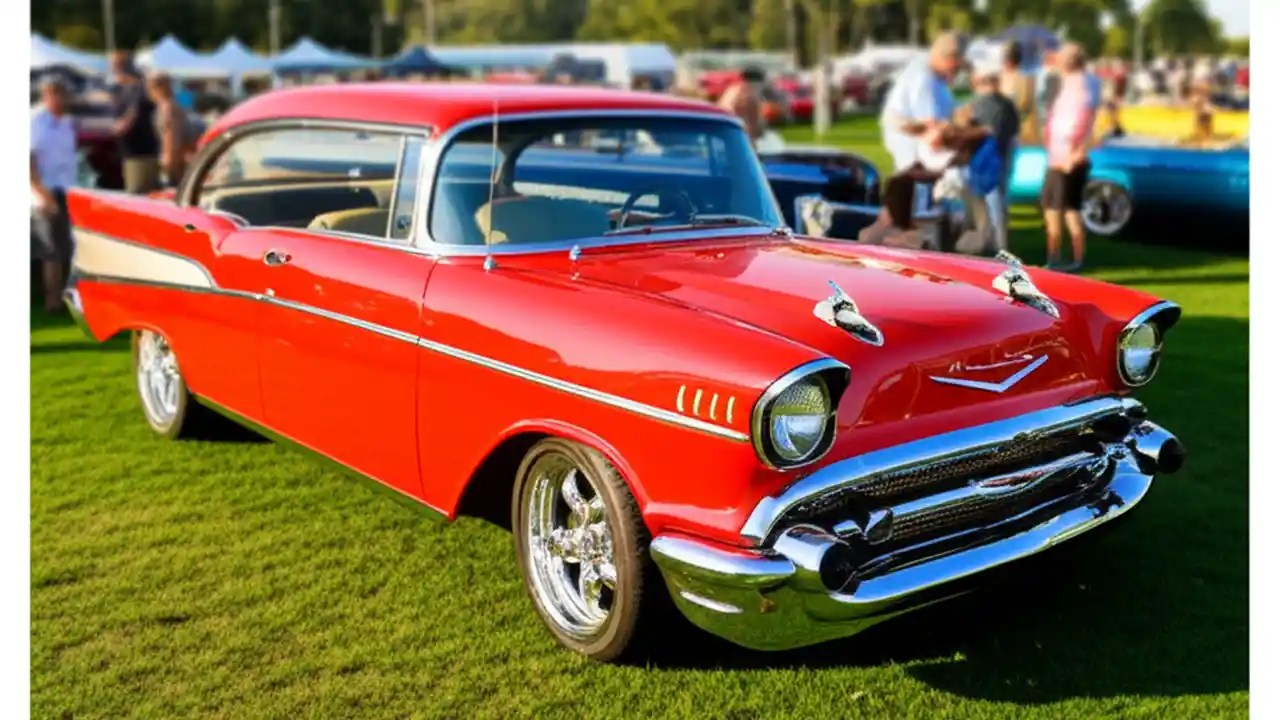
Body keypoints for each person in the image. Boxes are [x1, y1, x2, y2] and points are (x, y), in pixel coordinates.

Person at [1041, 43, 1097, 271]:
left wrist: (1072, 153)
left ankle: (1058, 259)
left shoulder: (1077, 86)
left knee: (1057, 209)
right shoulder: (1081, 84)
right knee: (1069, 208)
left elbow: (1080, 120)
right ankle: (1070, 258)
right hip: (1065, 155)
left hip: (1065, 158)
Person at [31, 77, 78, 314]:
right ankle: (52, 302)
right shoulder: (36, 120)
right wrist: (41, 193)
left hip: (66, 188)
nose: (58, 98)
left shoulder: (67, 122)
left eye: (61, 93)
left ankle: (63, 298)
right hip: (44, 191)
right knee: (50, 249)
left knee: (65, 246)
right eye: (53, 93)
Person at [967, 62, 1020, 252]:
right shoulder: (1007, 104)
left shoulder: (979, 104)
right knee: (1000, 201)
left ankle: (990, 242)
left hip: (985, 158)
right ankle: (1001, 242)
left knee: (984, 201)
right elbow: (1014, 130)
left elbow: (971, 131)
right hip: (1003, 155)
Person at [109, 51, 161, 194]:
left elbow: (130, 118)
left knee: (139, 194)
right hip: (130, 153)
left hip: (141, 154)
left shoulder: (139, 88)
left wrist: (118, 128)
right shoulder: (122, 89)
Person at [145, 72, 189, 186]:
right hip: (178, 155)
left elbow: (170, 133)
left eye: (151, 87)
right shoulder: (168, 105)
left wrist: (167, 157)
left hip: (176, 157)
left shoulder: (167, 108)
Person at [999, 42, 1036, 144]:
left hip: (1016, 129)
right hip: (1004, 127)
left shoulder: (1023, 79)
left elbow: (1025, 107)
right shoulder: (1002, 77)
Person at [718, 66, 766, 143]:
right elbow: (758, 126)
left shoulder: (731, 91)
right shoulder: (751, 95)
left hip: (725, 135)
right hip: (743, 139)